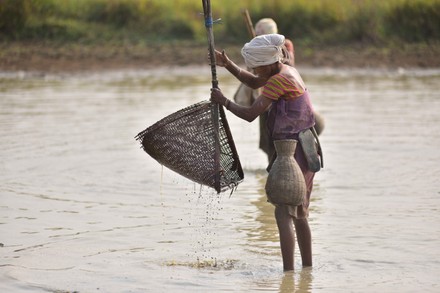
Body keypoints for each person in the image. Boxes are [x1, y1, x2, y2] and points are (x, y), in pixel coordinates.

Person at [210, 34, 319, 271]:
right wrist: (228, 64)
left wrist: (224, 102)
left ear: (269, 64)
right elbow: (254, 83)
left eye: (258, 69)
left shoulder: (278, 80)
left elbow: (251, 114)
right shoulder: (285, 70)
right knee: (300, 213)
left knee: (283, 212)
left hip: (294, 151)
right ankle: (306, 271)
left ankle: (288, 274)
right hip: (306, 147)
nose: (256, 73)